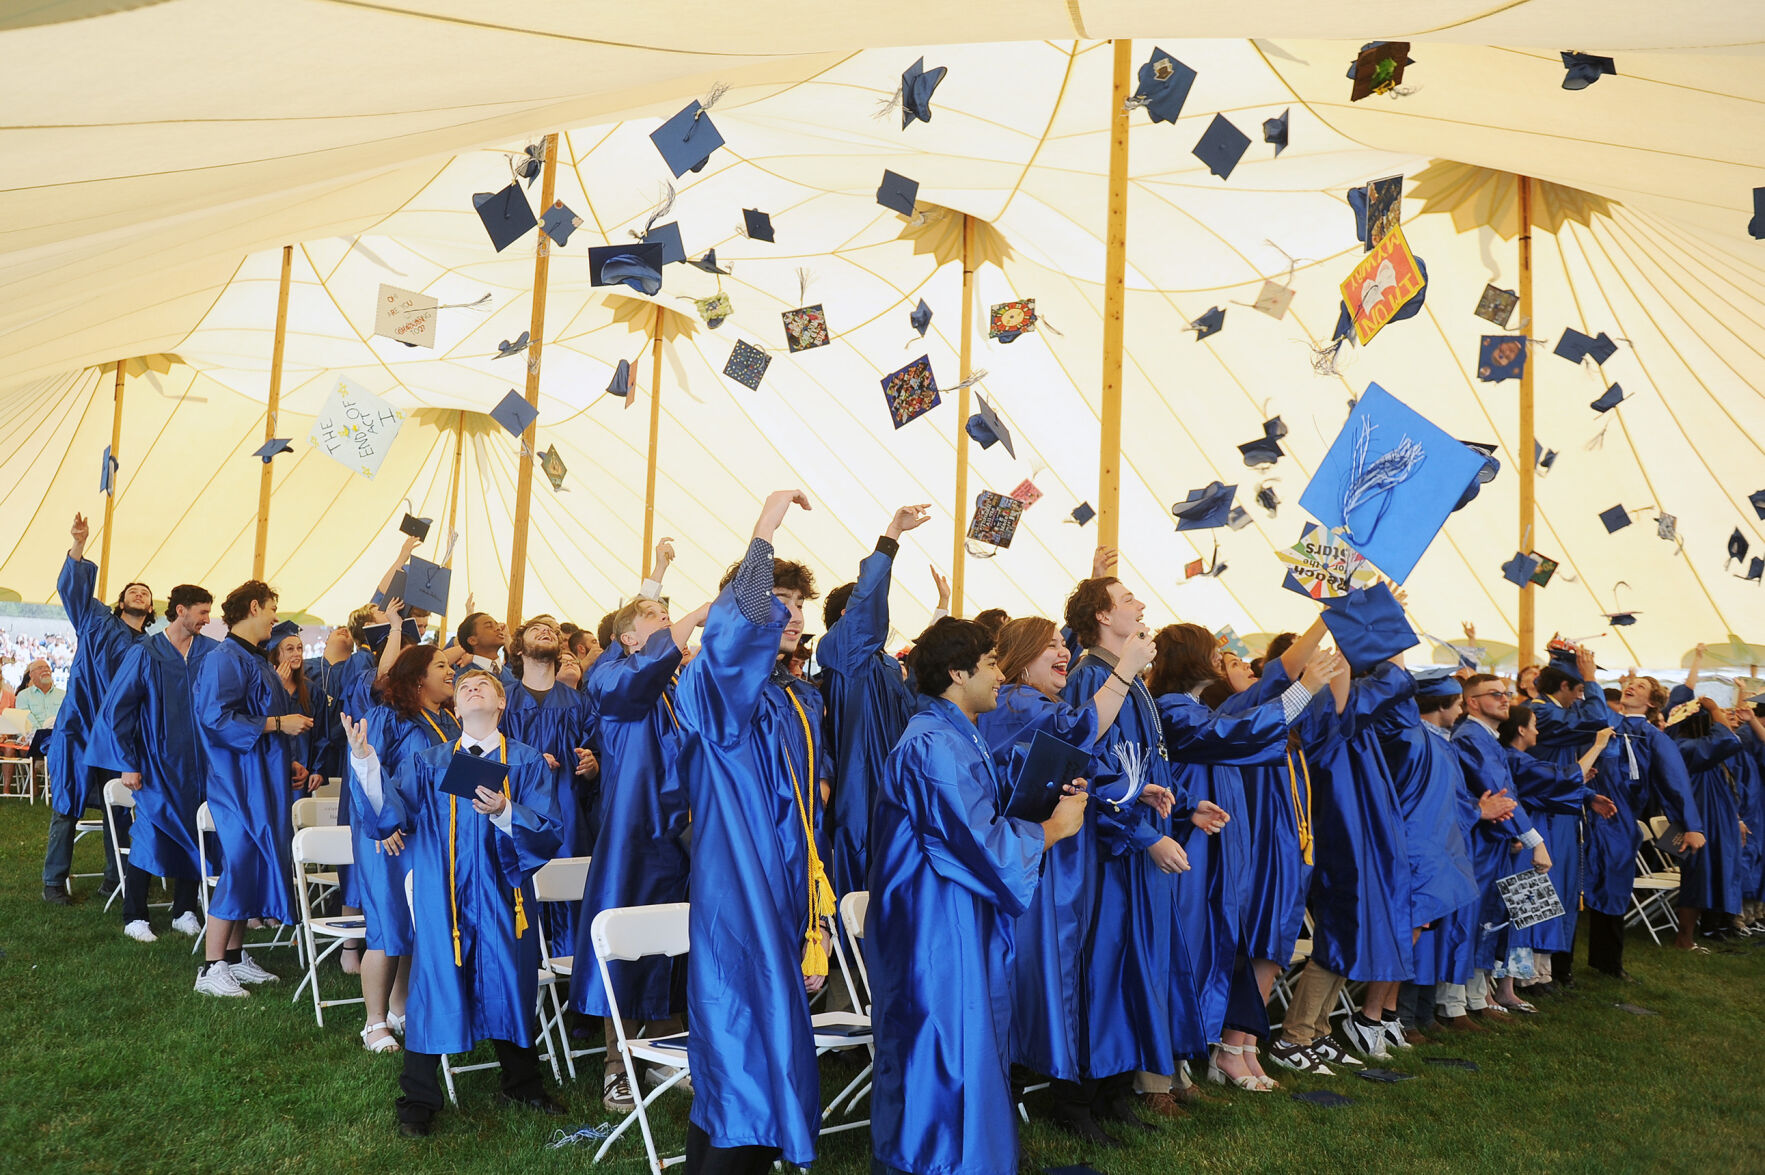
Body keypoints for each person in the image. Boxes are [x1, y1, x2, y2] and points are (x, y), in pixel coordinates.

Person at [868, 616, 1088, 1175]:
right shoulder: (933, 744)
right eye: (991, 664)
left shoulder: (953, 734)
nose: (1000, 675)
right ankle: (938, 1165)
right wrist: (1053, 830)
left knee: (971, 1047)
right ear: (956, 673)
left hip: (958, 920)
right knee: (944, 1054)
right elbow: (975, 840)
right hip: (935, 929)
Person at [672, 489, 828, 1174]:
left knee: (755, 1038)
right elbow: (731, 646)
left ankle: (718, 1151)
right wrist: (760, 536)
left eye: (797, 603)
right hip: (739, 887)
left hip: (785, 886)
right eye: (776, 601)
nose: (790, 615)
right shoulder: (717, 688)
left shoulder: (790, 695)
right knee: (746, 1030)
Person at [342, 669, 566, 1137]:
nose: (471, 688)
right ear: (456, 710)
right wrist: (364, 760)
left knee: (507, 978)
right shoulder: (427, 763)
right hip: (443, 898)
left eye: (484, 684)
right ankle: (419, 1099)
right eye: (463, 688)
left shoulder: (525, 763)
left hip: (506, 899)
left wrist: (505, 811)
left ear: (500, 705)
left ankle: (522, 1083)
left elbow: (549, 829)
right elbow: (389, 816)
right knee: (435, 983)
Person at [975, 613, 1151, 1135]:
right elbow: (1079, 731)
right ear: (1020, 656)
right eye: (1049, 645)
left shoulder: (1039, 704)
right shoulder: (1014, 704)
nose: (1064, 652)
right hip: (1027, 870)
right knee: (1027, 989)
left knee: (1049, 984)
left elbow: (1079, 765)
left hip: (1052, 867)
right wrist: (1124, 674)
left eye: (1063, 644)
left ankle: (1049, 1106)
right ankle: (1012, 1119)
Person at [1146, 623, 1335, 1091]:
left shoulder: (1189, 708)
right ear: (1189, 657)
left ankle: (1192, 1056)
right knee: (1187, 948)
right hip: (1190, 851)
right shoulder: (1173, 709)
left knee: (1211, 948)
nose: (1223, 655)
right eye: (1215, 651)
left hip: (1219, 844)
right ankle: (1167, 1064)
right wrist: (1305, 688)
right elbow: (1237, 729)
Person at [1062, 574, 1217, 1132]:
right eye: (1127, 599)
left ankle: (1114, 1094)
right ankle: (1080, 1099)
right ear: (1102, 617)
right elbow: (1087, 770)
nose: (1140, 603)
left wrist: (1183, 808)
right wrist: (1147, 836)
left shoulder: (1135, 685)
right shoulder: (1091, 680)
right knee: (1103, 968)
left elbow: (1142, 770)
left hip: (1134, 849)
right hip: (1104, 855)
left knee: (1136, 968)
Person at [574, 589, 709, 1112]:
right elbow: (640, 677)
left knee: (679, 943)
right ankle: (616, 1064)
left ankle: (665, 1050)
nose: (669, 621)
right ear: (628, 637)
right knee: (625, 942)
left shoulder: (680, 684)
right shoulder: (612, 675)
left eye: (670, 616)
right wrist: (697, 614)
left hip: (688, 835)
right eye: (655, 617)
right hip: (636, 833)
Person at [1272, 650, 1416, 1067]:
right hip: (1339, 840)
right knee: (1335, 937)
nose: (1340, 669)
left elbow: (1390, 686)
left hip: (1358, 838)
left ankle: (1317, 1030)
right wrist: (1369, 628)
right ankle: (1295, 1036)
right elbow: (1370, 685)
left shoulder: (1351, 720)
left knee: (1346, 936)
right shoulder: (1321, 715)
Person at [192, 579, 313, 997]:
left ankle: (234, 957)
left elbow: (260, 715)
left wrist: (289, 758)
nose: (276, 619)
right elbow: (216, 719)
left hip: (264, 776)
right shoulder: (223, 658)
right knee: (241, 862)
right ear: (255, 606)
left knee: (257, 861)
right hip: (236, 780)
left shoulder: (255, 659)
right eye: (272, 610)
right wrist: (280, 725)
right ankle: (210, 968)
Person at [86, 585, 217, 942]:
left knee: (194, 832)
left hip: (198, 766)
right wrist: (127, 762)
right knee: (149, 835)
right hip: (155, 764)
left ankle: (185, 909)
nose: (207, 620)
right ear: (180, 611)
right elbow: (118, 710)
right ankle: (135, 915)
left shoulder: (210, 652)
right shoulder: (146, 652)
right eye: (202, 613)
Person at [349, 644, 462, 1053]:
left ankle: (400, 1008)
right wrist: (383, 825)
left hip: (428, 836)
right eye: (442, 666)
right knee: (386, 926)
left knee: (415, 923)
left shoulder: (447, 720)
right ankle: (374, 1023)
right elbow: (366, 770)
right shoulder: (388, 717)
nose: (451, 672)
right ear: (417, 677)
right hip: (389, 835)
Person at [819, 504, 934, 899]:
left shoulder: (884, 663)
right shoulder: (839, 648)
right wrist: (891, 537)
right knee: (863, 868)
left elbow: (912, 702)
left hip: (891, 776)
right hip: (859, 778)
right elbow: (866, 600)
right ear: (848, 616)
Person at [42, 513, 151, 906]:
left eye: (146, 592)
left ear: (151, 607)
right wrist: (79, 544)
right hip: (78, 725)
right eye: (133, 590)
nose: (139, 593)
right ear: (121, 600)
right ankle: (53, 882)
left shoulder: (150, 649)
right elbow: (73, 589)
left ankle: (115, 879)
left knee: (118, 808)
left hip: (118, 735)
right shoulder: (95, 620)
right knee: (67, 803)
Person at [1496, 706, 1614, 1005]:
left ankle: (1510, 986)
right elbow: (1562, 777)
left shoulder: (1520, 759)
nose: (1538, 731)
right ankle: (1501, 988)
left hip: (1534, 834)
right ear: (1521, 730)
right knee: (1519, 910)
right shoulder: (1513, 758)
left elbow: (1552, 787)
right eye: (1534, 725)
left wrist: (1585, 792)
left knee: (1528, 909)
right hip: (1523, 839)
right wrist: (1597, 746)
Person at [1451, 674, 1551, 1024]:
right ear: (1472, 701)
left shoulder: (1486, 737)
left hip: (1495, 840)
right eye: (1496, 694)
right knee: (1473, 917)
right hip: (1478, 841)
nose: (1506, 699)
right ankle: (1454, 1002)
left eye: (1506, 693)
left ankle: (1476, 997)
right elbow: (1498, 792)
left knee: (1490, 916)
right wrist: (1535, 840)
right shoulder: (1470, 738)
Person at [1522, 644, 1615, 988]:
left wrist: (1588, 795)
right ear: (1563, 687)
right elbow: (1595, 720)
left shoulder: (1554, 713)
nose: (1581, 697)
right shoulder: (1540, 712)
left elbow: (1561, 766)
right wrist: (1591, 678)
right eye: (1578, 690)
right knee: (1538, 888)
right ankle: (1526, 973)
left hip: (1560, 809)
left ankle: (1547, 969)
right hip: (1540, 812)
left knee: (1556, 890)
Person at [1666, 696, 1745, 949]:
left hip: (1707, 821)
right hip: (1694, 824)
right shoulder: (1685, 747)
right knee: (1695, 880)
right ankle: (1684, 939)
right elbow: (1729, 738)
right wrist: (1711, 708)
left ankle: (1704, 931)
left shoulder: (1696, 749)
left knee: (1704, 877)